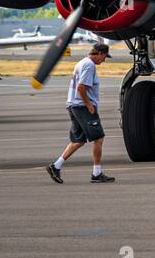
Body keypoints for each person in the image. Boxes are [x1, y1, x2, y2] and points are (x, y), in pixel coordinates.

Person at [45, 42, 115, 183]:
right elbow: (81, 87)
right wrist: (89, 104)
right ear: (99, 54)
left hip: (74, 105)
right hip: (82, 106)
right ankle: (97, 173)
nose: (104, 60)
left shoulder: (82, 63)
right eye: (104, 57)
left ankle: (56, 166)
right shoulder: (89, 65)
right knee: (98, 138)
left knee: (79, 140)